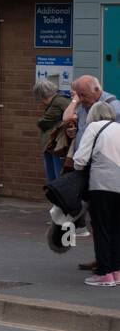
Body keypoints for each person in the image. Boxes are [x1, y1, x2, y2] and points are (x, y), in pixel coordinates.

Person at [71, 102, 120, 286]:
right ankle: (117, 271)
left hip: (102, 185)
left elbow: (80, 159)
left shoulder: (93, 127)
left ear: (93, 115)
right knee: (117, 229)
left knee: (102, 229)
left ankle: (104, 273)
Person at [35, 79, 71, 182]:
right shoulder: (58, 100)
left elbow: (43, 122)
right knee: (54, 177)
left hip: (56, 145)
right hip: (53, 145)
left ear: (42, 95)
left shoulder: (58, 102)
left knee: (56, 178)